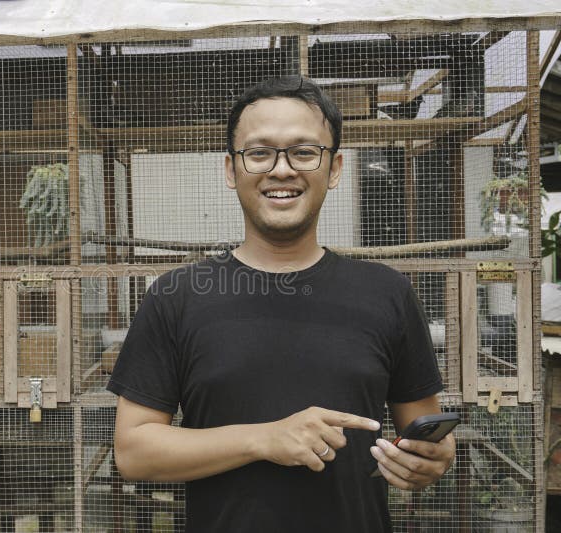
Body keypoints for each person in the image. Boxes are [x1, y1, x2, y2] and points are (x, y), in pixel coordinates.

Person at [106, 76, 456, 532]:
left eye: (304, 152)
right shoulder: (177, 296)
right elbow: (133, 453)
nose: (282, 169)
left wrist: (430, 460)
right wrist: (264, 439)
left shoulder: (387, 293)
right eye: (259, 153)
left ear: (334, 169)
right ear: (231, 170)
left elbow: (426, 433)